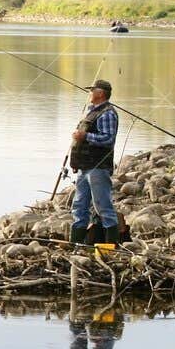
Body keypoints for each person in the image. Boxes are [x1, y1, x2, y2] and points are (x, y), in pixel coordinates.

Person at [69, 79, 120, 244]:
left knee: (103, 207)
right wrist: (76, 162)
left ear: (100, 93)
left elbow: (108, 139)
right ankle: (76, 244)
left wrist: (84, 136)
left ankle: (110, 246)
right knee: (79, 206)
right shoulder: (92, 112)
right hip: (85, 168)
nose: (89, 93)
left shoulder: (107, 113)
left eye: (92, 90)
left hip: (98, 167)